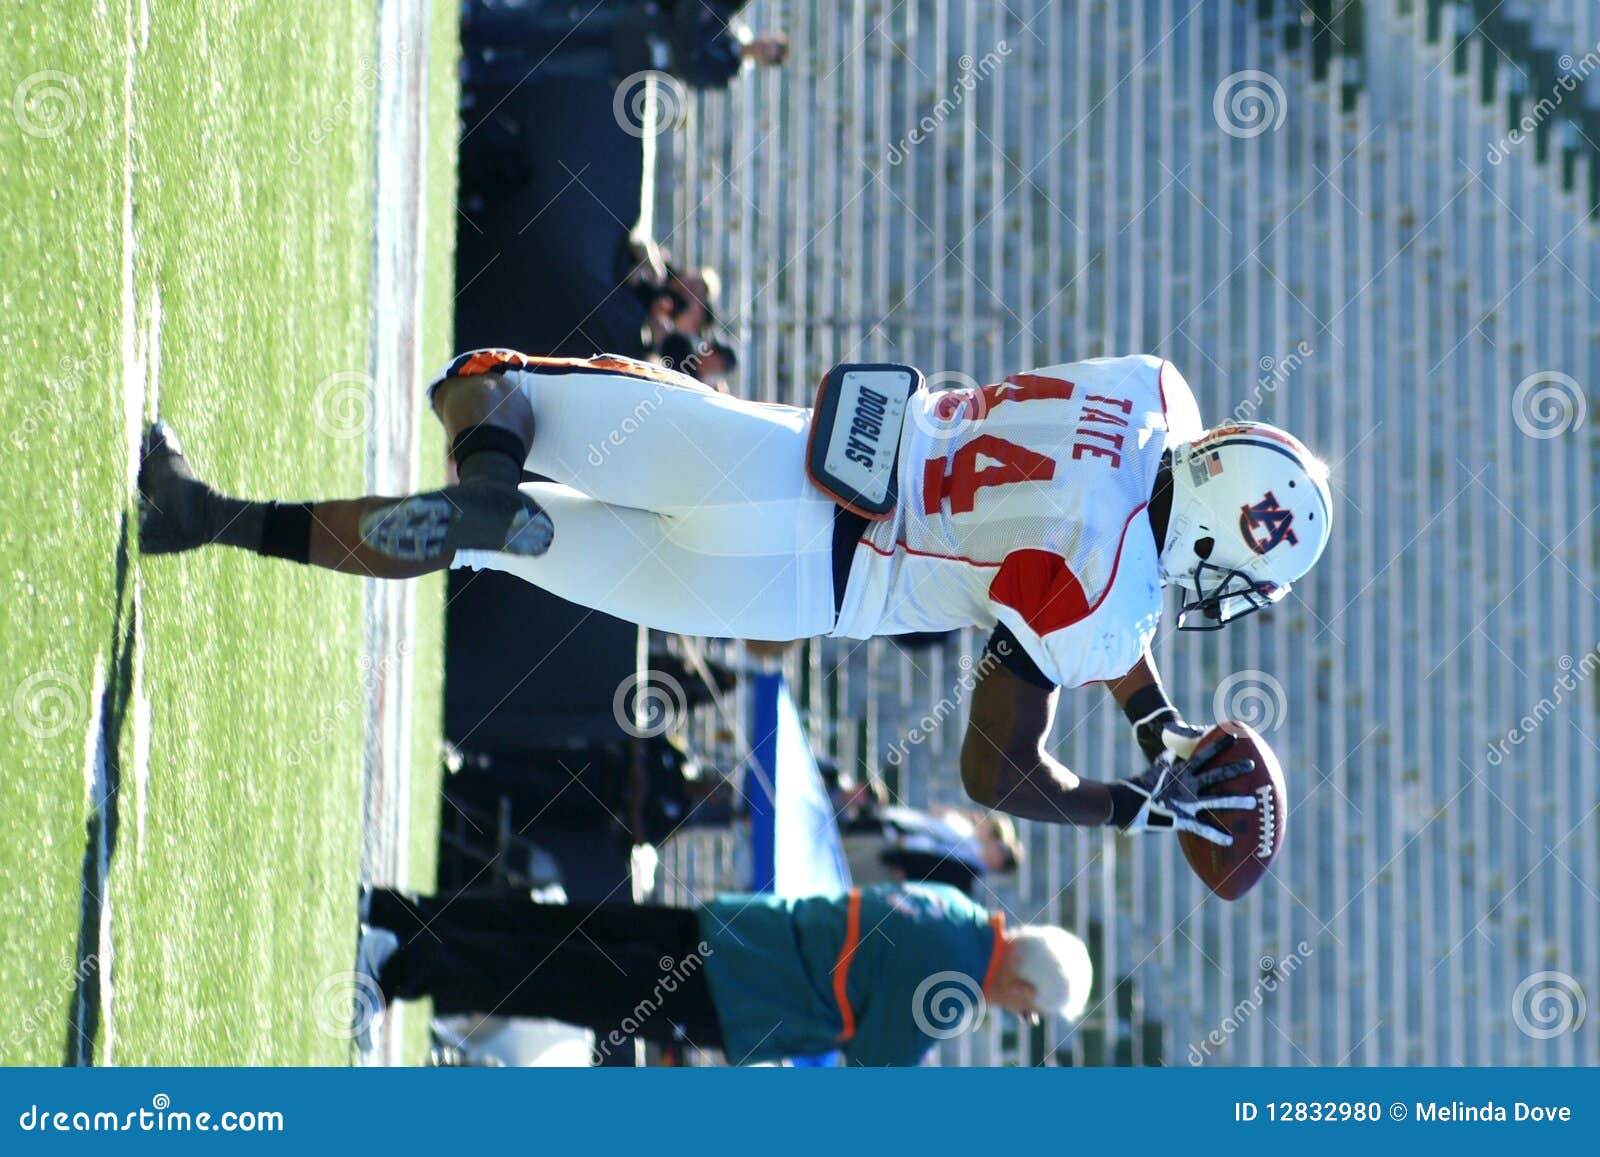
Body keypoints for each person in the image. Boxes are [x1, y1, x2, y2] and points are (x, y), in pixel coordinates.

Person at [139, 350, 1331, 839]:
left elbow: (1093, 557)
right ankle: (216, 528)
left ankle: (249, 507)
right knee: (505, 548)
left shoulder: (1150, 391)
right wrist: (1126, 804)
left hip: (790, 457)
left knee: (489, 385)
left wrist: (1153, 714)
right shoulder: (1113, 597)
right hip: (786, 587)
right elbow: (997, 768)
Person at [355, 881, 1091, 1066]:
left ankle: (393, 911)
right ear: (1026, 989)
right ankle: (398, 965)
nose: (1023, 1017)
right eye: (1034, 1011)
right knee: (553, 979)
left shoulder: (955, 906)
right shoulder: (955, 992)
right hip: (732, 992)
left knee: (555, 928)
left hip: (729, 925)